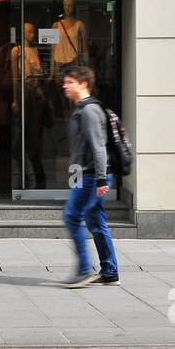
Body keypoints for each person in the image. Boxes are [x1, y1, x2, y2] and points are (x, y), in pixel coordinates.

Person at [60, 65, 120, 288]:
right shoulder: (81, 109)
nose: (64, 86)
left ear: (83, 84)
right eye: (65, 82)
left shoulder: (90, 110)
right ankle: (110, 272)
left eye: (70, 82)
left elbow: (98, 146)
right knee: (95, 220)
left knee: (72, 216)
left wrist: (102, 179)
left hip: (92, 176)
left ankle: (84, 271)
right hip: (83, 173)